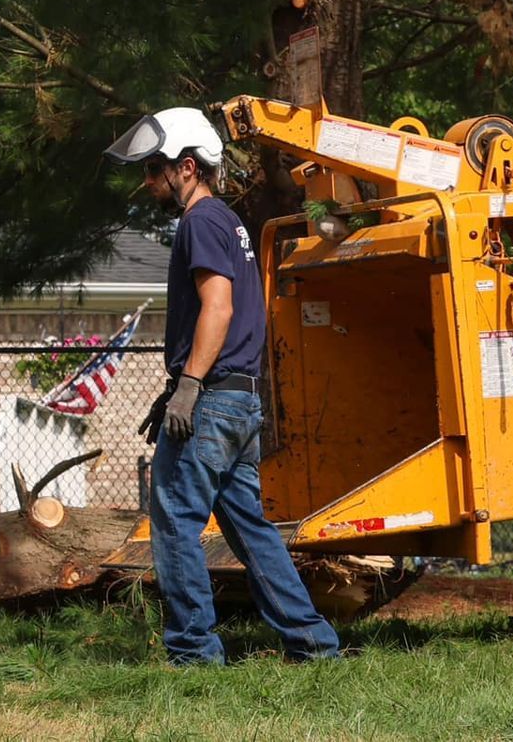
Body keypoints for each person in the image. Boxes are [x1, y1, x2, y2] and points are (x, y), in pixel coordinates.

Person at [106, 107, 340, 666]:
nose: (148, 182)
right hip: (238, 399)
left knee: (175, 518)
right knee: (248, 526)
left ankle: (193, 653)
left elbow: (218, 306)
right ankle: (313, 644)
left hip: (211, 400)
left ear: (186, 168)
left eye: (154, 169)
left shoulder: (199, 222)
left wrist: (187, 387)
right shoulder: (228, 222)